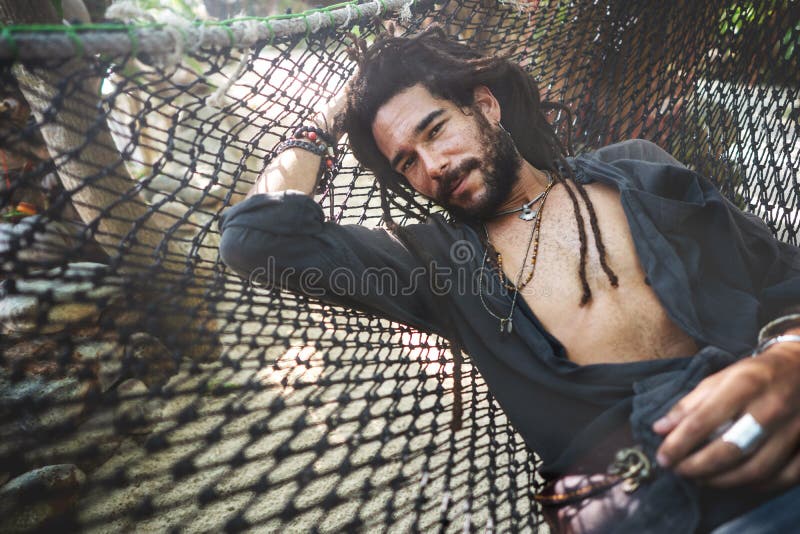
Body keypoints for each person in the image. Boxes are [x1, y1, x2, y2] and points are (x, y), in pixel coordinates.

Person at [218, 27, 800, 533]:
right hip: (652, 507)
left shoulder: (635, 172)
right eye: (407, 163)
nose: (434, 166)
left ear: (487, 106)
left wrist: (787, 360)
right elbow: (255, 238)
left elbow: (781, 276)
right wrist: (323, 124)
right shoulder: (433, 264)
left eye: (436, 130)